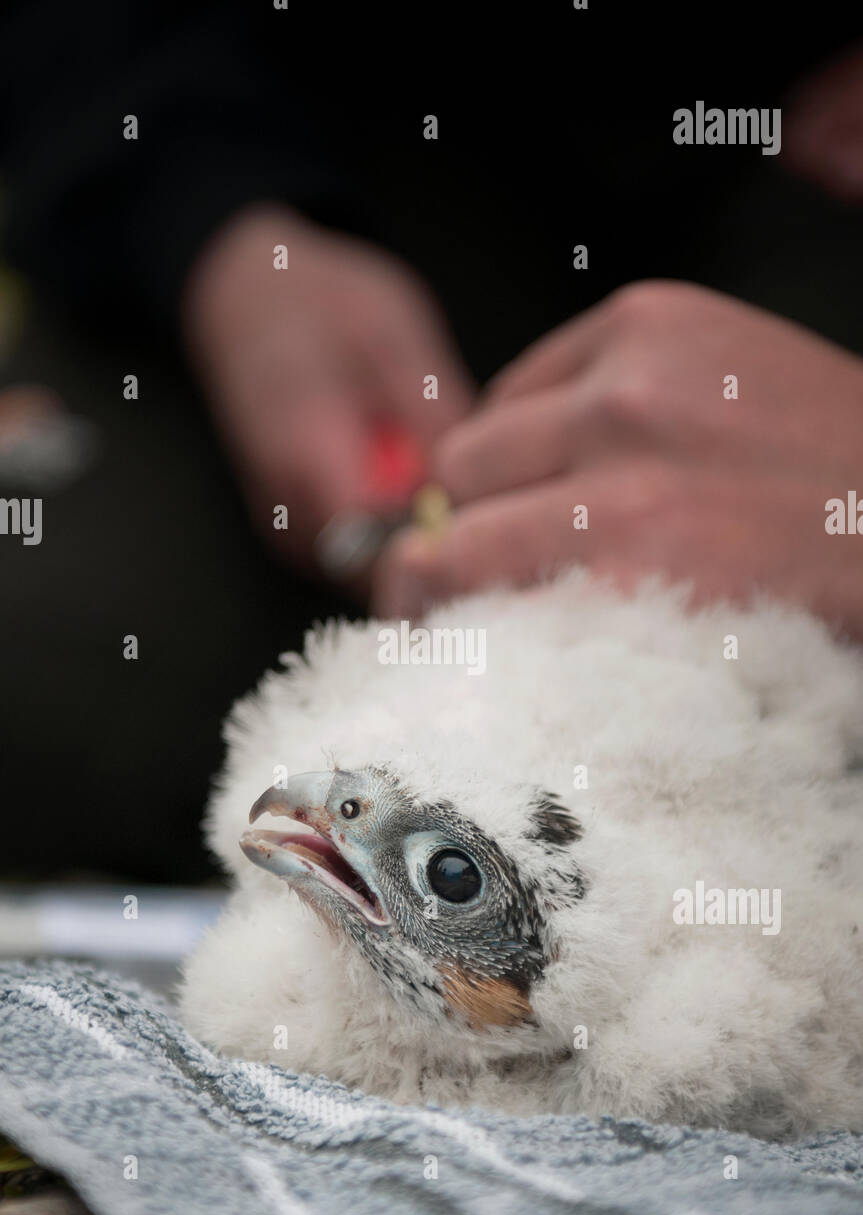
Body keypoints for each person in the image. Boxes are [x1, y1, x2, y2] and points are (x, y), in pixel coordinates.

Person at [0, 2, 861, 879]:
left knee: (753, 808)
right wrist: (216, 221)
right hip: (328, 126)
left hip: (819, 184)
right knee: (43, 677)